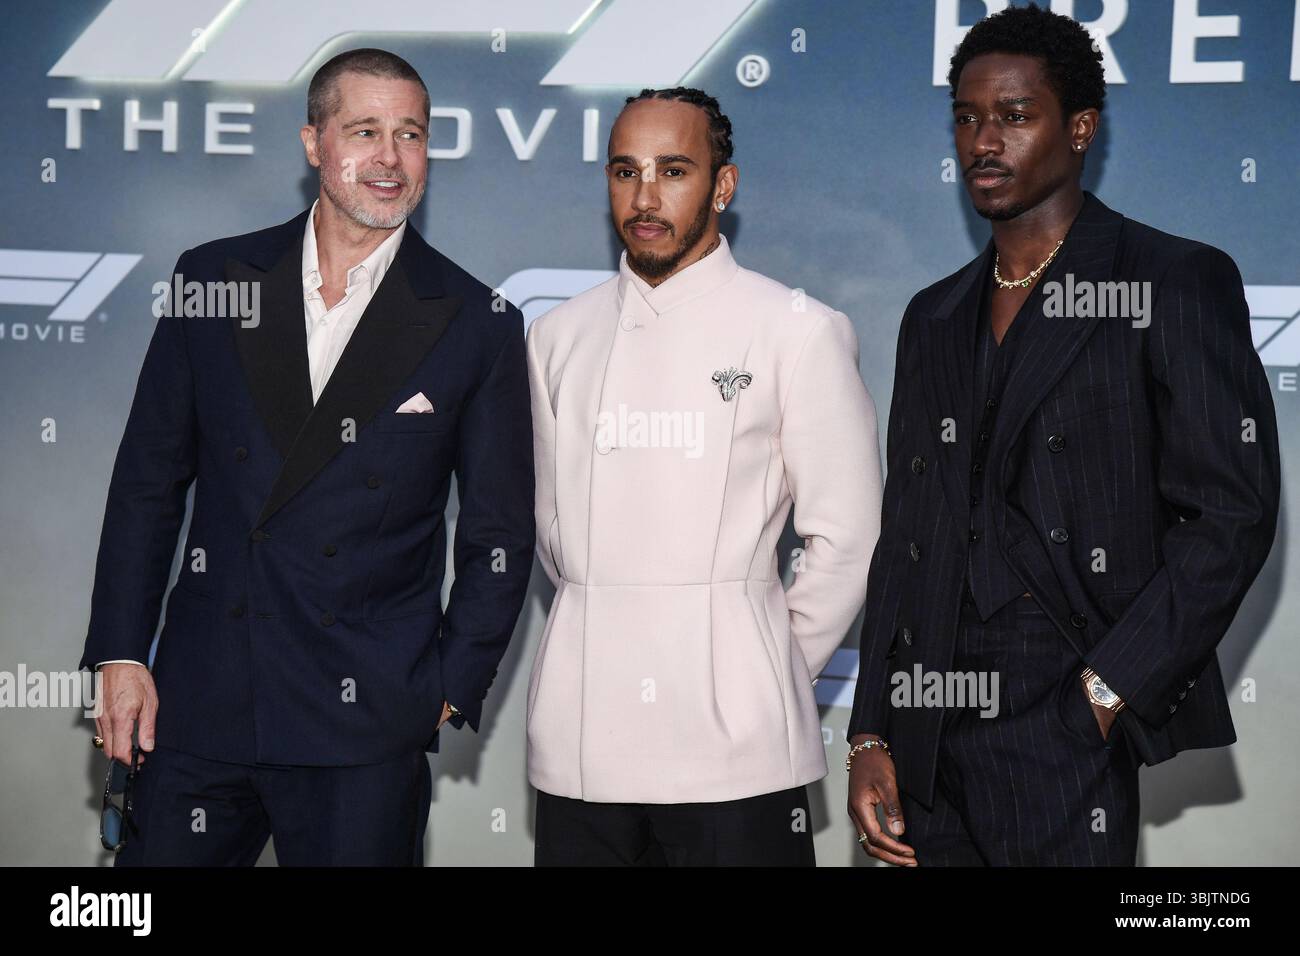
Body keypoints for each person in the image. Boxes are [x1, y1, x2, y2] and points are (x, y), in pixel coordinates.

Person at [846, 3, 1280, 867]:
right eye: (967, 118)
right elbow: (907, 539)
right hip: (928, 726)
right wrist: (871, 732)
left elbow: (1231, 516)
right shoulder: (932, 316)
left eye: (1014, 115)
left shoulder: (1169, 278)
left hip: (1062, 720)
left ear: (1080, 129)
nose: (983, 140)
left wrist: (1103, 695)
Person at [80, 48, 535, 865]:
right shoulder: (214, 278)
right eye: (365, 131)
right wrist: (120, 650)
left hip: (361, 728)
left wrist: (445, 687)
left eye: (411, 135)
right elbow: (147, 483)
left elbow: (500, 531)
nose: (390, 159)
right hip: (199, 703)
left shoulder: (477, 319)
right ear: (314, 143)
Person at [525, 87, 882, 866]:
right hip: (582, 736)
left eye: (674, 170)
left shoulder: (797, 330)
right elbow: (554, 541)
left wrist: (757, 662)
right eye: (625, 172)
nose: (645, 197)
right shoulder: (556, 337)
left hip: (739, 750)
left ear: (723, 185)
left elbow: (848, 541)